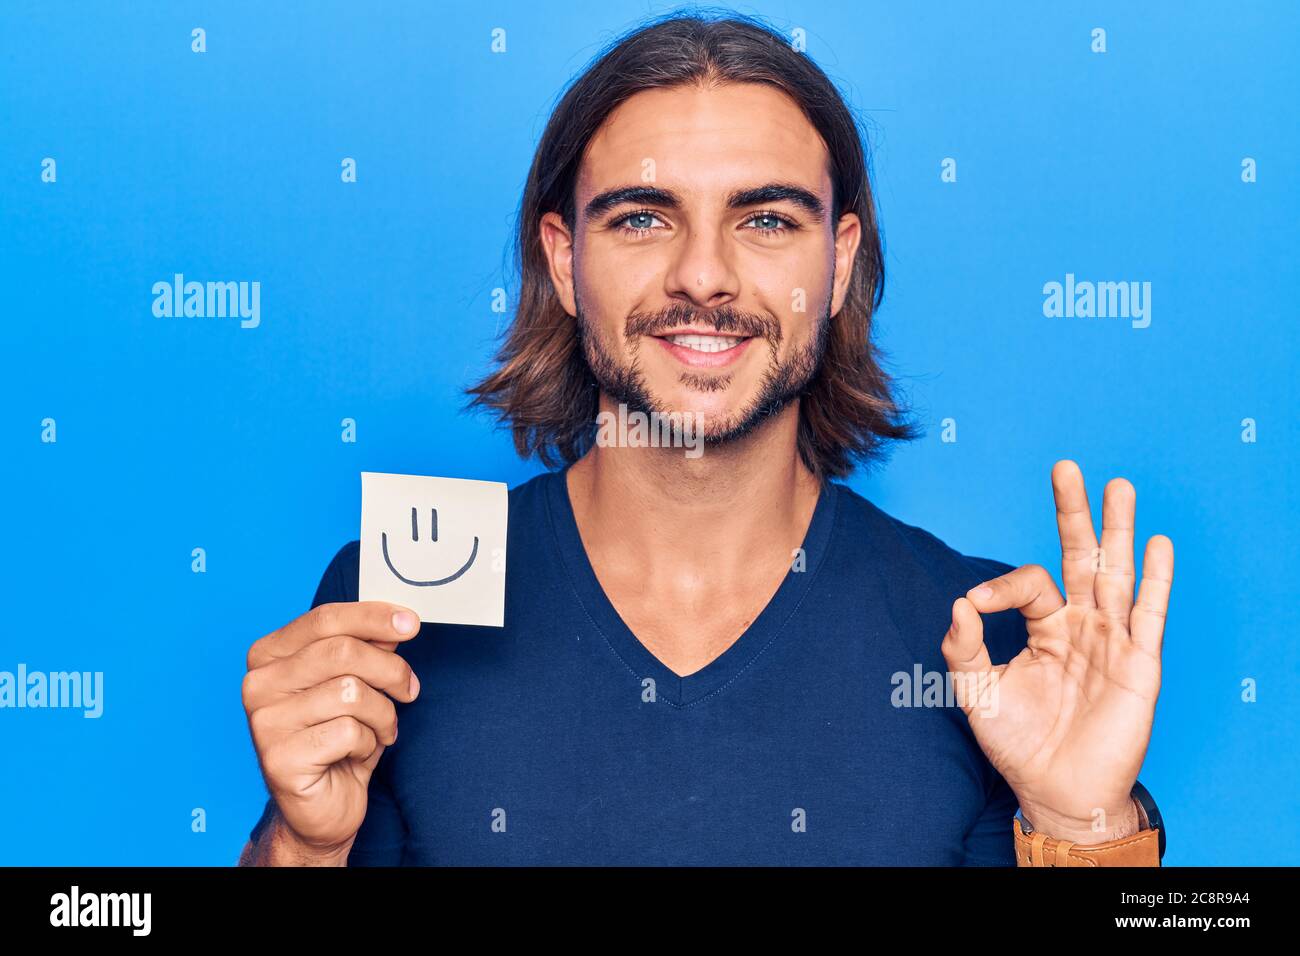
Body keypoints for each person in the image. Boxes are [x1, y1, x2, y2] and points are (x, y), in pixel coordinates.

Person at [238, 13, 1173, 866]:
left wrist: (1082, 827)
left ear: (840, 261)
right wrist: (300, 848)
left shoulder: (985, 638)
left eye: (765, 219)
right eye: (643, 217)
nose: (704, 274)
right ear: (565, 261)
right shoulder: (400, 602)